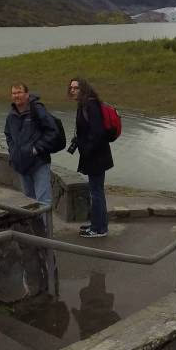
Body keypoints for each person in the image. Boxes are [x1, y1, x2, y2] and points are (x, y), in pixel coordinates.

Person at [3, 83, 61, 219]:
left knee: (43, 201)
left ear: (27, 94)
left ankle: (46, 235)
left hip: (39, 162)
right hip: (21, 163)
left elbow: (53, 131)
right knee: (29, 201)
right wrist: (13, 151)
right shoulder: (11, 115)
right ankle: (36, 233)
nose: (16, 95)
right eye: (14, 93)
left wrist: (37, 148)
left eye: (19, 92)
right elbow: (8, 134)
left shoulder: (37, 110)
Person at [68, 77, 113, 239]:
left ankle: (99, 229)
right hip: (94, 156)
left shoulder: (90, 105)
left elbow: (97, 132)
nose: (72, 90)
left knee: (96, 193)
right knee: (96, 191)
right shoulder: (84, 104)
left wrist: (86, 148)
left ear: (84, 89)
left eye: (76, 88)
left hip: (96, 157)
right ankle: (98, 224)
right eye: (71, 88)